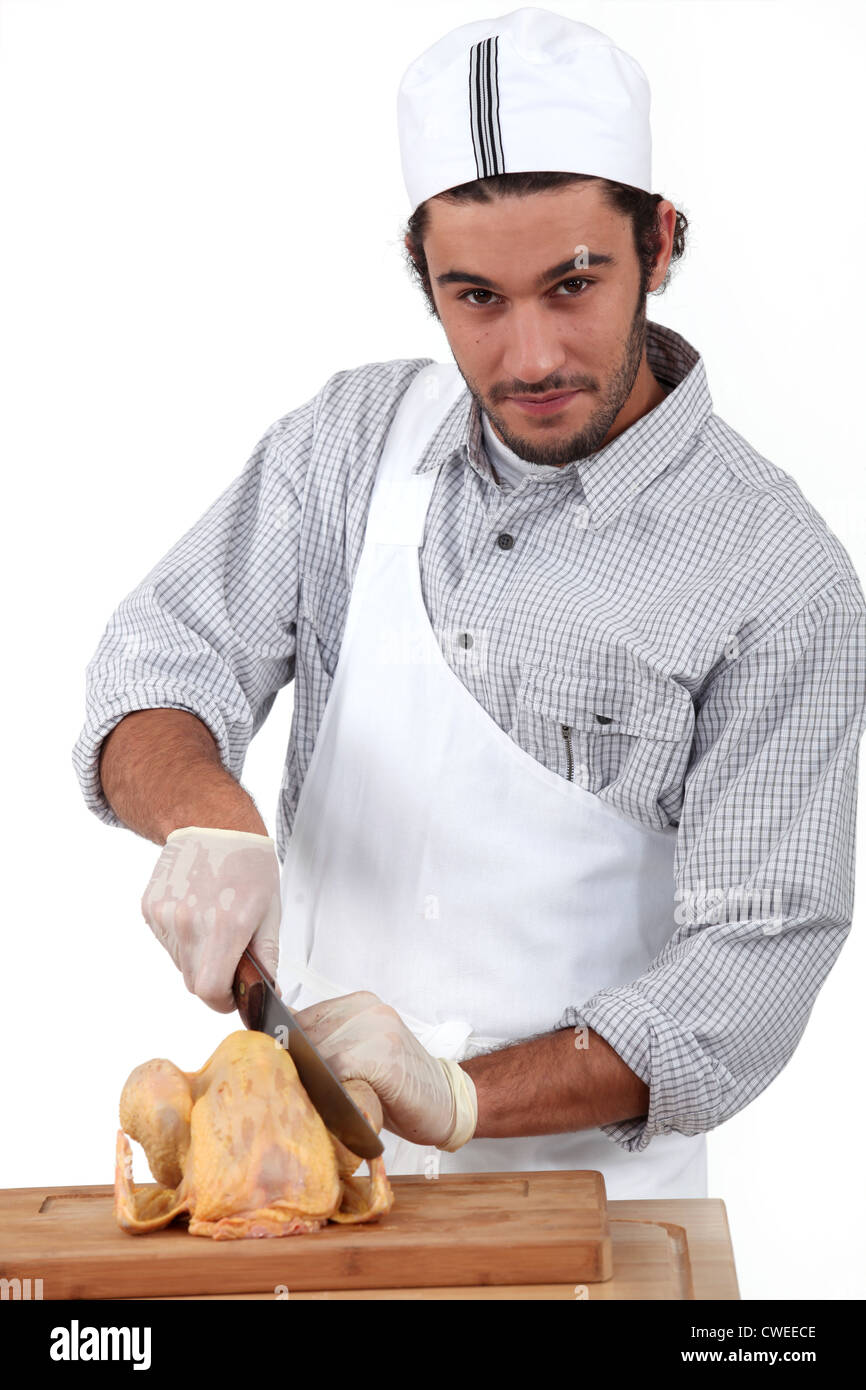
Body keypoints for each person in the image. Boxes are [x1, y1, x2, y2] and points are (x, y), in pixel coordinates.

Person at [72, 8, 866, 1199]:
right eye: (476, 297)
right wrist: (206, 819)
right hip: (315, 1200)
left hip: (597, 1227)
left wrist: (457, 1097)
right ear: (422, 273)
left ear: (657, 240)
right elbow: (155, 667)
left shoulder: (772, 570)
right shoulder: (342, 450)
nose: (531, 354)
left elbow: (750, 963)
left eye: (574, 282)